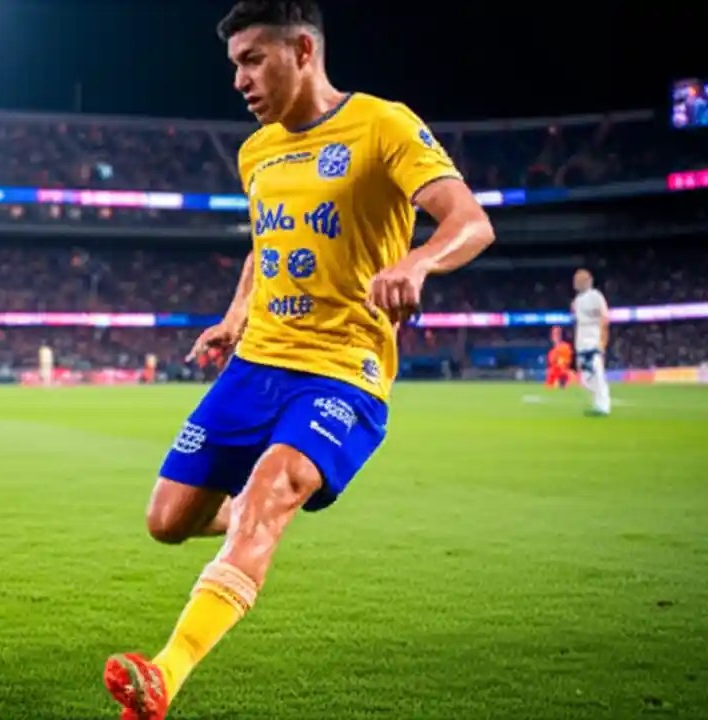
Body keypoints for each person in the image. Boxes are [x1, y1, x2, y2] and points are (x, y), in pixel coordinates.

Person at [100, 2, 497, 718]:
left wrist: (419, 261)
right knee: (167, 520)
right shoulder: (257, 151)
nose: (239, 81)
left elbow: (470, 222)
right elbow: (266, 243)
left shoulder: (384, 125)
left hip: (344, 367)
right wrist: (231, 318)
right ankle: (253, 507)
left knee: (274, 487)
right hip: (255, 365)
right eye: (235, 66)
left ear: (303, 49)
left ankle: (165, 674)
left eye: (253, 60)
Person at [571, 269, 611, 415]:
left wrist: (602, 340)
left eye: (578, 280)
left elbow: (604, 318)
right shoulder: (577, 301)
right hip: (581, 340)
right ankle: (598, 402)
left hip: (593, 339)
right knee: (585, 378)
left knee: (597, 373)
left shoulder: (596, 296)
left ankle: (603, 406)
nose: (575, 283)